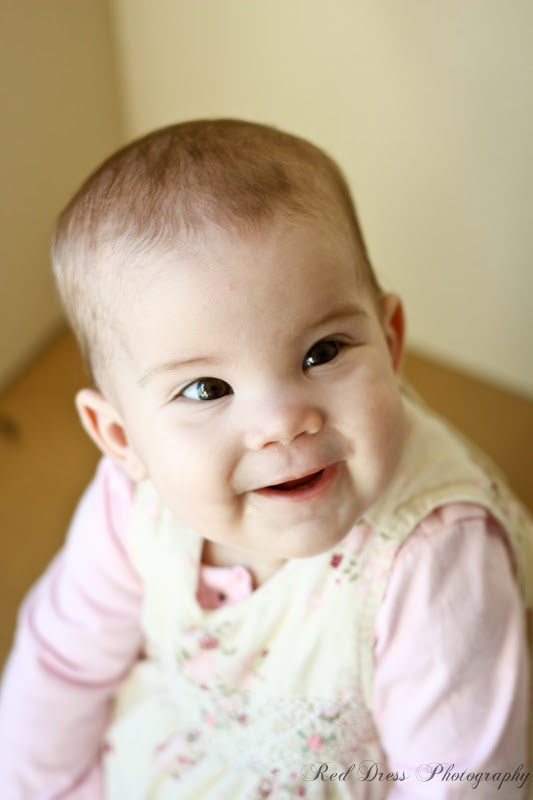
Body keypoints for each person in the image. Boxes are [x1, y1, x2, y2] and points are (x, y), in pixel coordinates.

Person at [0, 119, 531, 800]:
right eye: (205, 389)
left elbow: (459, 783)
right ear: (122, 439)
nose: (282, 422)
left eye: (323, 352)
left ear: (390, 341)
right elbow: (59, 665)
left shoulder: (434, 556)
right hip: (187, 740)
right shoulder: (132, 500)